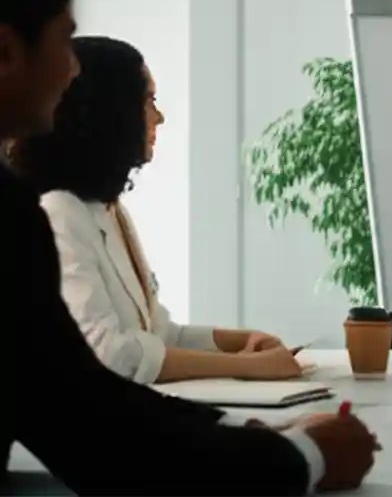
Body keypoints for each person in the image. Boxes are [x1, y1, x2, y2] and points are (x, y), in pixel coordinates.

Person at [0, 0, 378, 494]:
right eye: (62, 38)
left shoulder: (65, 208)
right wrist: (303, 456)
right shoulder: (21, 215)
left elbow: (90, 395)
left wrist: (245, 432)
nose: (71, 68)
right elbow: (87, 420)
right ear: (5, 50)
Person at [8, 36, 302, 385]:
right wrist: (249, 367)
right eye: (149, 101)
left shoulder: (109, 211)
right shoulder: (58, 213)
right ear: (111, 113)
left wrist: (241, 341)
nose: (159, 117)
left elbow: (159, 335)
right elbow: (110, 354)